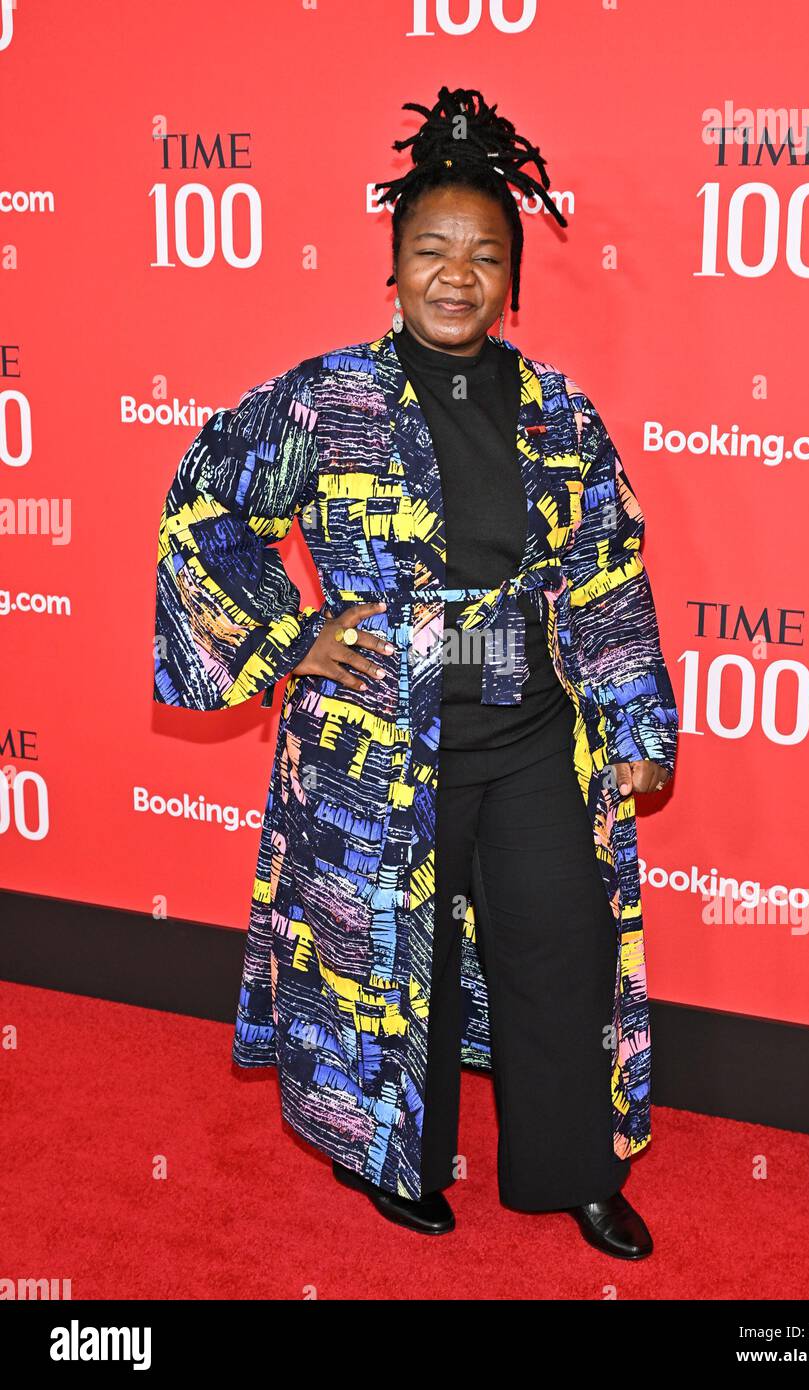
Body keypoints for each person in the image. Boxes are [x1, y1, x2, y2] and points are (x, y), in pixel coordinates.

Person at [153, 86, 679, 1261]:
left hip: (535, 728)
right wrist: (289, 636)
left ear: (512, 280)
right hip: (378, 745)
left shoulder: (560, 415)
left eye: (485, 256)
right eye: (432, 251)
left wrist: (637, 717)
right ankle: (402, 1159)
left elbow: (607, 574)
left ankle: (575, 1171)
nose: (458, 276)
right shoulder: (324, 397)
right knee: (397, 955)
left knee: (560, 944)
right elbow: (202, 511)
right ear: (393, 268)